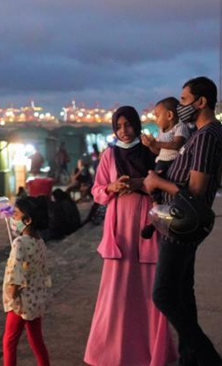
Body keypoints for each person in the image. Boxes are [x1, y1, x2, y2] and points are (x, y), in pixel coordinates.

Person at [84, 106, 176, 366]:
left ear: (136, 125)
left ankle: (151, 353)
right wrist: (112, 187)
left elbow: (164, 186)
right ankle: (109, 353)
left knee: (149, 292)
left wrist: (141, 186)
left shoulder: (151, 152)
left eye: (129, 125)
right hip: (119, 232)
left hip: (147, 227)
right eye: (119, 126)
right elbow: (97, 190)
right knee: (115, 292)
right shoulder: (109, 156)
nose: (124, 131)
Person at [143, 76, 222, 366]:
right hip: (178, 222)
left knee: (164, 295)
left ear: (201, 102)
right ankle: (189, 358)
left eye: (184, 101)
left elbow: (196, 190)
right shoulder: (203, 134)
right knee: (181, 291)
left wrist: (157, 182)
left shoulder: (205, 136)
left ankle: (209, 358)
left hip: (181, 224)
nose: (181, 107)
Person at [2, 197, 52, 366]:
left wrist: (12, 296)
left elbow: (15, 273)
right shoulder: (40, 242)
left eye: (15, 215)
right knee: (37, 341)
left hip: (21, 302)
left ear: (28, 220)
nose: (12, 219)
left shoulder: (19, 243)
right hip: (36, 299)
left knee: (9, 342)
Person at [140, 96, 190, 237]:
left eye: (157, 115)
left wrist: (155, 144)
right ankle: (156, 214)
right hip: (161, 161)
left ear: (169, 115)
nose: (155, 119)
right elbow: (158, 151)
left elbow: (176, 145)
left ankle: (157, 219)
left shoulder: (180, 127)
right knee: (153, 188)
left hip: (172, 163)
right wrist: (150, 145)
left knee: (158, 185)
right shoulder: (161, 130)